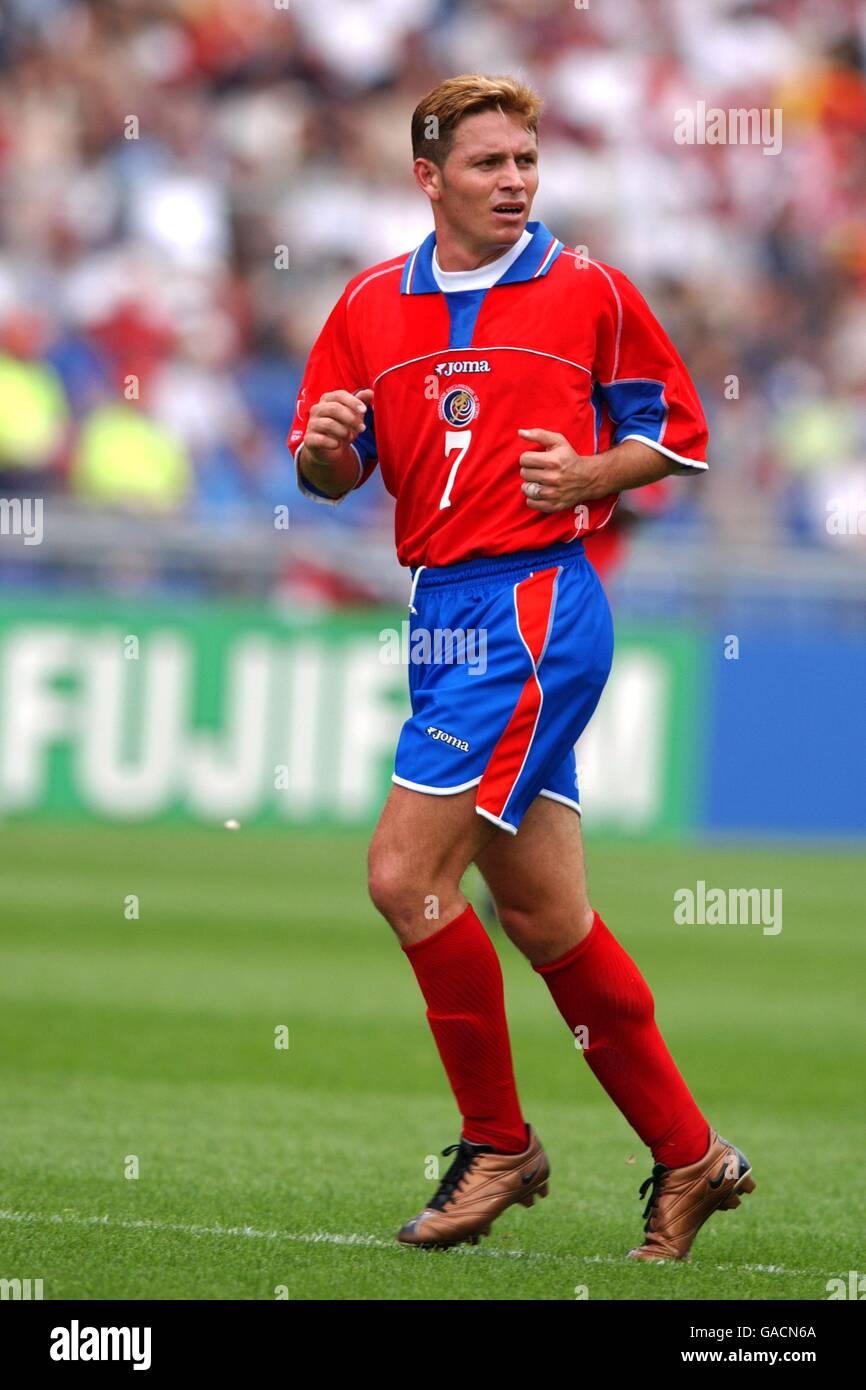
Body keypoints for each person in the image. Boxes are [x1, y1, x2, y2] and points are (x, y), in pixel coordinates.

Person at [288, 73, 755, 1261]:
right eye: (489, 163)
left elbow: (678, 429)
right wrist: (328, 453)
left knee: (403, 876)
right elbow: (326, 474)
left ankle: (498, 1142)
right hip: (439, 612)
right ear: (427, 178)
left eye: (526, 162)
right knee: (544, 913)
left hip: (536, 603)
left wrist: (597, 476)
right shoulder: (364, 308)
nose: (513, 182)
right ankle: (691, 1156)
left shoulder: (585, 288)